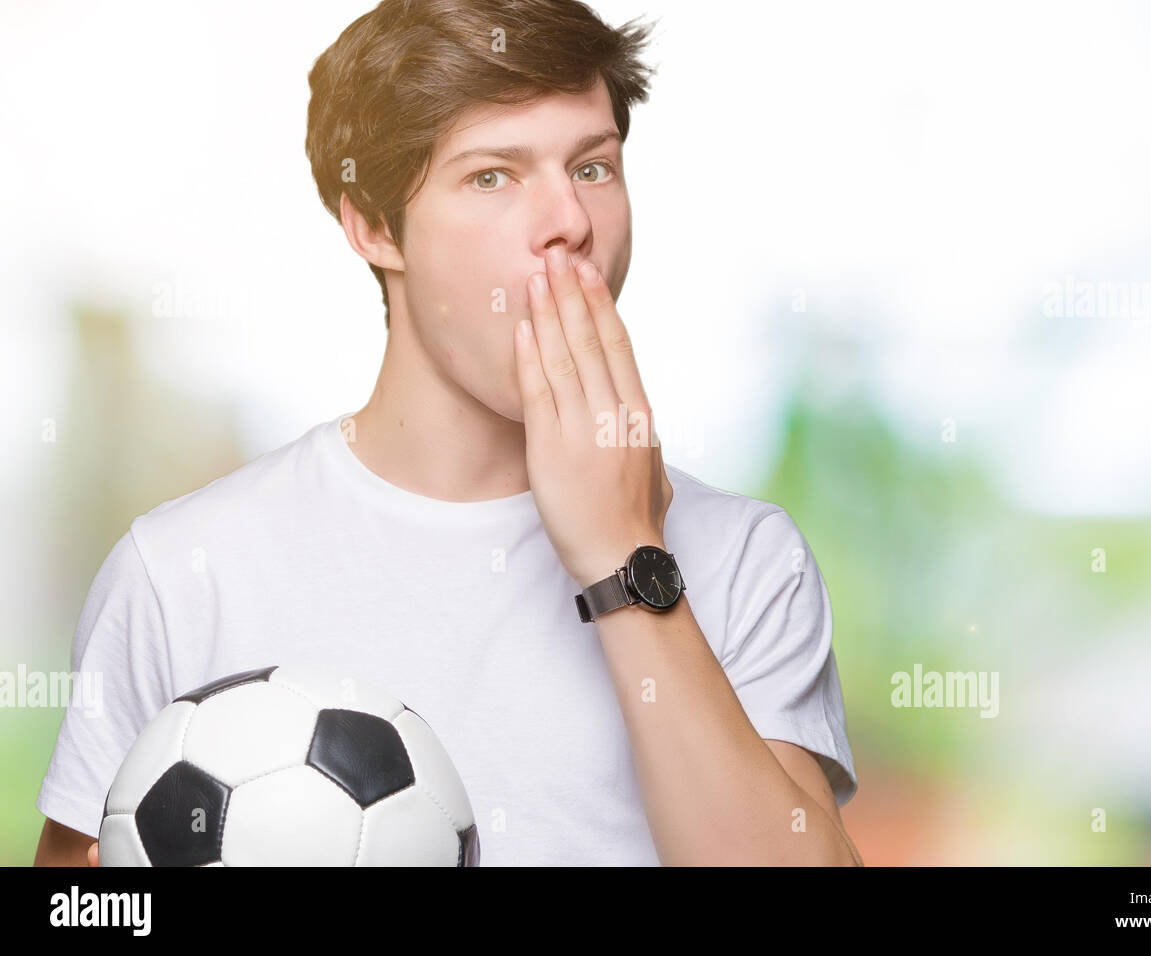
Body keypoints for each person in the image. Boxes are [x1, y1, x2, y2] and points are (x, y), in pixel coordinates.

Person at [34, 0, 860, 867]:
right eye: (493, 176)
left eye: (592, 167)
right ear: (373, 226)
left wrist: (625, 558)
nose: (570, 224)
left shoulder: (744, 561)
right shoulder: (181, 575)